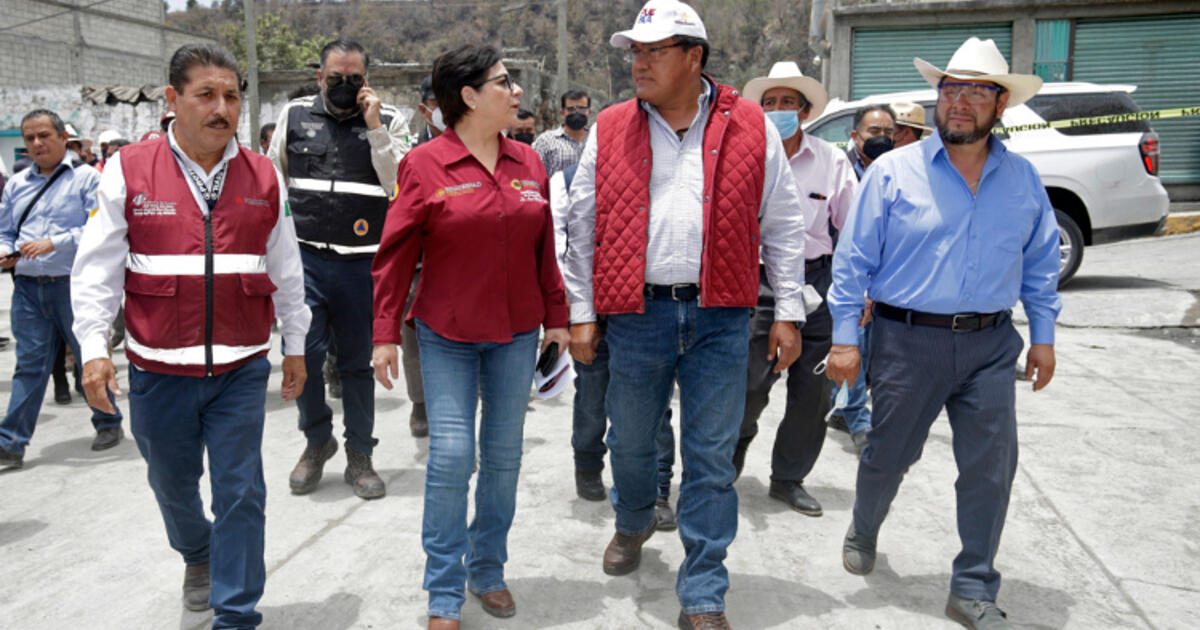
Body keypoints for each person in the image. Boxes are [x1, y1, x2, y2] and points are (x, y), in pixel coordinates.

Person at [562, 2, 807, 628]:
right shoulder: (612, 127)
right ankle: (634, 518)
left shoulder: (750, 125)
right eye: (634, 53)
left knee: (711, 457)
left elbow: (782, 220)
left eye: (653, 52)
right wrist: (582, 311)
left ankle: (703, 588)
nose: (638, 64)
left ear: (693, 57)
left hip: (723, 316)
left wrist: (789, 309)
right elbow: (582, 224)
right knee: (632, 443)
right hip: (637, 313)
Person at [71, 43, 310, 629]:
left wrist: (297, 345)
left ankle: (236, 614)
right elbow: (97, 268)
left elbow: (287, 268)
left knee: (241, 492)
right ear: (174, 99)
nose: (221, 108)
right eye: (206, 94)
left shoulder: (263, 174)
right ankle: (197, 553)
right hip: (157, 370)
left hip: (241, 368)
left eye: (231, 96)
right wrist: (96, 351)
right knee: (171, 484)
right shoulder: (130, 168)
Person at [826, 37, 1061, 630]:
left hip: (990, 344)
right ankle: (865, 521)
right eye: (950, 89)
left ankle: (973, 584)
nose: (959, 102)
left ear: (1000, 104)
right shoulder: (893, 172)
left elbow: (1039, 263)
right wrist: (843, 338)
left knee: (990, 466)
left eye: (976, 91)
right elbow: (853, 262)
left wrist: (1044, 335)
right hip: (908, 341)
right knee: (889, 454)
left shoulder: (1024, 179)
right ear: (937, 98)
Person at [371, 44, 569, 630]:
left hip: (515, 333)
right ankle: (442, 590)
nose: (515, 93)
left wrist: (556, 316)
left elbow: (544, 252)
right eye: (503, 83)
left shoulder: (530, 163)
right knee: (453, 455)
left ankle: (487, 569)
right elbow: (395, 255)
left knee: (503, 457)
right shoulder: (425, 165)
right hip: (447, 332)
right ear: (469, 96)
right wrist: (384, 332)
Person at [268, 38, 410, 500]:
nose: (345, 86)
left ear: (366, 80)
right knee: (303, 358)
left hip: (362, 265)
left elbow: (400, 183)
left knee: (356, 365)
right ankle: (317, 440)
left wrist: (373, 127)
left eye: (354, 79)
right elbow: (274, 182)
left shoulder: (390, 121)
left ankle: (360, 456)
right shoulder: (294, 117)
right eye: (335, 79)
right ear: (319, 78)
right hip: (304, 260)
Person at [734, 60, 857, 516]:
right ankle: (733, 452)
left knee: (814, 394)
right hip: (758, 283)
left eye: (788, 103)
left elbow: (854, 232)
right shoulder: (741, 158)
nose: (778, 110)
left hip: (818, 282)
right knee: (747, 386)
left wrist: (855, 294)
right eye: (769, 103)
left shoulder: (832, 161)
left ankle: (789, 478)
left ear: (805, 112)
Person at [549, 161, 679, 531]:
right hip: (592, 304)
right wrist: (577, 312)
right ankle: (588, 463)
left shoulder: (661, 168)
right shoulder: (569, 179)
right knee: (592, 395)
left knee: (654, 403)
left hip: (645, 306)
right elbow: (562, 243)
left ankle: (658, 488)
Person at [0, 109, 125, 470]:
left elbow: (99, 228)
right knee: (30, 366)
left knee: (90, 358)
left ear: (61, 138)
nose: (37, 144)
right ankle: (11, 443)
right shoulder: (17, 184)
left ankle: (108, 422)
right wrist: (7, 250)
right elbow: (6, 230)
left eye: (44, 136)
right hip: (27, 287)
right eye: (29, 139)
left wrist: (55, 242)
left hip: (74, 285)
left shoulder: (87, 179)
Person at [531, 89, 590, 177]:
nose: (576, 113)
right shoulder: (546, 141)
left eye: (581, 109)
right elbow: (535, 176)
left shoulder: (597, 140)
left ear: (589, 112)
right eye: (571, 109)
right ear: (562, 113)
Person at [845, 104, 896, 178]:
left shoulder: (898, 167)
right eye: (874, 131)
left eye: (888, 132)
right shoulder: (842, 167)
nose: (882, 136)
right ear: (855, 136)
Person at [416, 75, 444, 144]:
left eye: (449, 102)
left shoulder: (467, 142)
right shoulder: (414, 144)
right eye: (437, 104)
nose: (444, 108)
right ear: (423, 110)